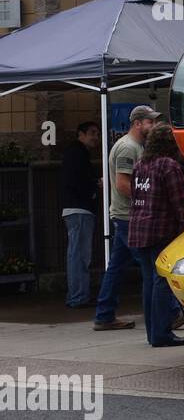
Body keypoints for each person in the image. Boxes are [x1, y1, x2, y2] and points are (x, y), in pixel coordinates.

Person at [92, 105, 158, 331]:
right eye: (150, 122)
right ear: (137, 123)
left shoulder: (133, 146)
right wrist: (147, 201)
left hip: (125, 216)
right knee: (151, 266)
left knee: (117, 268)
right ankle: (167, 314)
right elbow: (122, 184)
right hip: (128, 217)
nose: (154, 126)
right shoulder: (128, 148)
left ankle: (104, 314)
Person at [127, 124, 184, 348]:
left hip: (138, 229)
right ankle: (162, 333)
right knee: (162, 281)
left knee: (149, 282)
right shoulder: (169, 166)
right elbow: (180, 202)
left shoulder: (140, 166)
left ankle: (152, 333)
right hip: (161, 229)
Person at [59, 121, 100, 308]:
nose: (96, 138)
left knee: (77, 254)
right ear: (80, 134)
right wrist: (94, 187)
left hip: (74, 208)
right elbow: (76, 181)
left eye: (97, 134)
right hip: (80, 208)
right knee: (79, 255)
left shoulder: (73, 153)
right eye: (92, 133)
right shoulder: (78, 154)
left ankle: (78, 294)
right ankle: (78, 296)